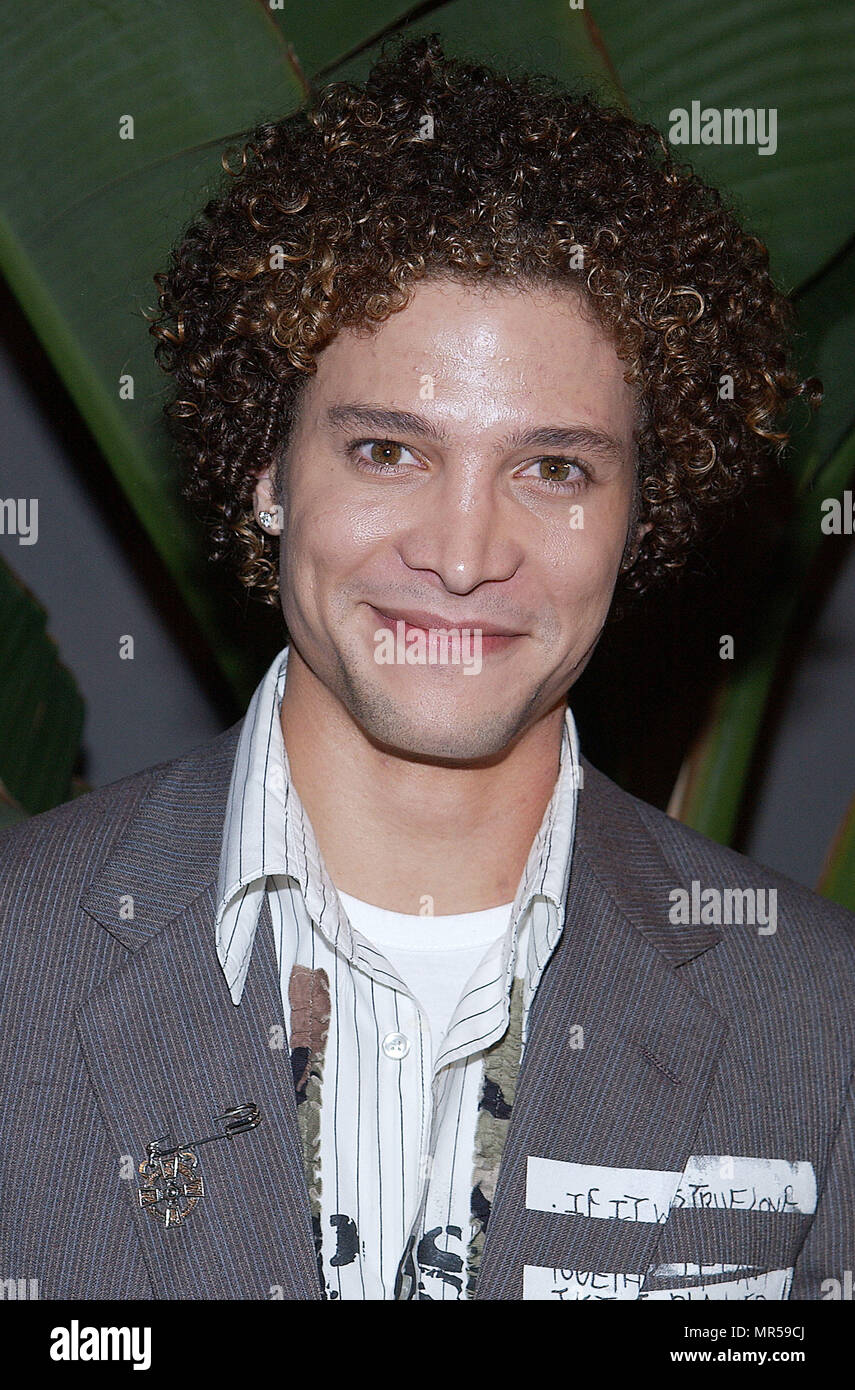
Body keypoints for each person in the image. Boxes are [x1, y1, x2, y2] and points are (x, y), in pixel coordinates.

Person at [1, 34, 852, 1303]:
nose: (461, 556)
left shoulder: (820, 1020)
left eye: (552, 468)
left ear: (641, 512)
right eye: (389, 451)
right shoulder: (18, 956)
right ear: (268, 471)